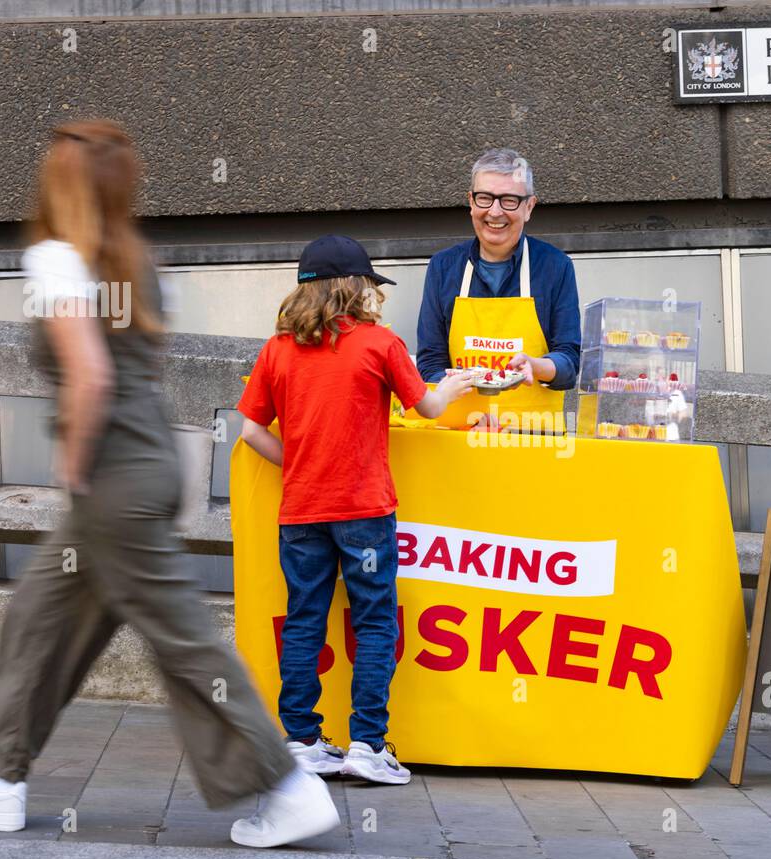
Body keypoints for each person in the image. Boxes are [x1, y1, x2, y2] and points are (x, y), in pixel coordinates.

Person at [0, 120, 338, 850]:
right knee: (40, 622)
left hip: (111, 481)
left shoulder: (56, 259)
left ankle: (285, 785)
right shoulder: (132, 260)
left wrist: (73, 462)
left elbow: (90, 374)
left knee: (180, 638)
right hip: (148, 469)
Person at [237, 235, 471, 785]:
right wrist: (455, 384)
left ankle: (299, 741)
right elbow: (429, 406)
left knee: (303, 622)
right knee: (373, 622)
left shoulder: (277, 349)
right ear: (354, 287)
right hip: (364, 511)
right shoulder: (379, 343)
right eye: (368, 284)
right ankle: (367, 743)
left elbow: (250, 432)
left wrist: (300, 462)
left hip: (301, 513)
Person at [415, 147, 581, 432]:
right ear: (471, 202)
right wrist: (466, 413)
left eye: (509, 200)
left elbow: (568, 362)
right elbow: (430, 362)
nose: (494, 211)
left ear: (529, 207)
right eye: (485, 198)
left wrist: (536, 366)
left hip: (534, 439)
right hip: (461, 437)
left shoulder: (555, 267)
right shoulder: (443, 267)